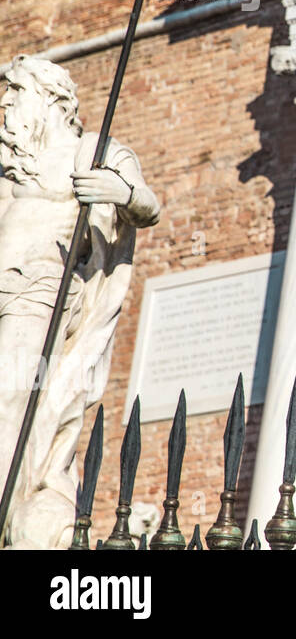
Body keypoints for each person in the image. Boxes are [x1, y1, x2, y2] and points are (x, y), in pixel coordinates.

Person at [0, 56, 159, 548]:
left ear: (51, 99)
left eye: (15, 93)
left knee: (11, 392)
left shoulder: (89, 151)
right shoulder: (11, 164)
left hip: (40, 293)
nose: (5, 105)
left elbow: (148, 206)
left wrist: (118, 189)